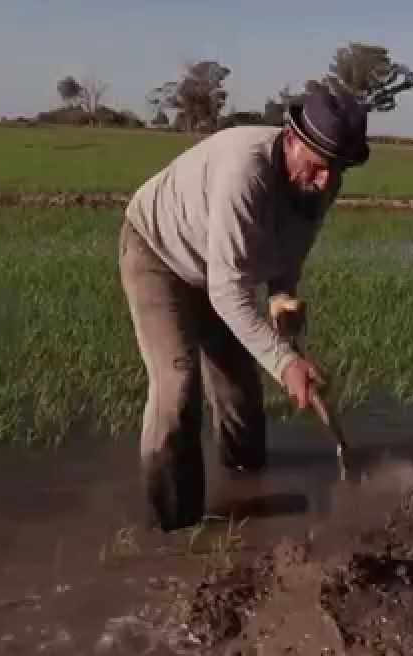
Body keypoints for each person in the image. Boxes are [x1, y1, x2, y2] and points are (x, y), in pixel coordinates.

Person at [117, 87, 370, 531]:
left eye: (338, 168)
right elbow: (227, 292)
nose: (327, 181)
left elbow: (291, 248)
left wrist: (281, 295)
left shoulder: (320, 183)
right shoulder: (245, 171)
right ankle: (175, 526)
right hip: (158, 253)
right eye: (318, 165)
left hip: (220, 268)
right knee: (178, 386)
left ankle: (248, 480)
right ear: (291, 140)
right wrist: (286, 361)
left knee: (239, 386)